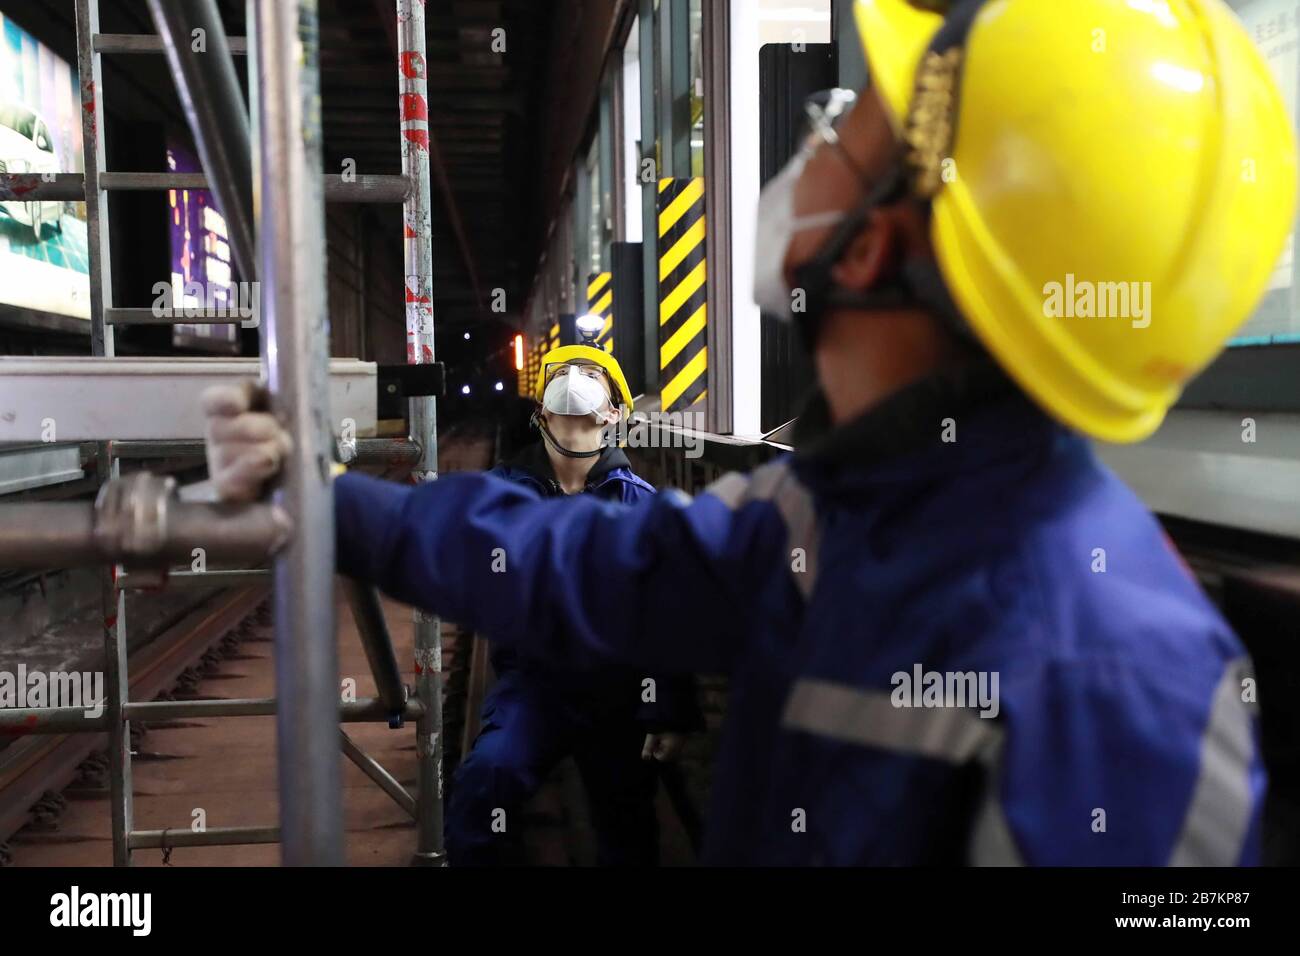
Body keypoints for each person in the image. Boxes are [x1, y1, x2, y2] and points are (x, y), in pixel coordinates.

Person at [203, 0, 1294, 864]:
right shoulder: (836, 505)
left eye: (848, 123)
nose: (817, 132)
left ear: (873, 247)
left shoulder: (1120, 690)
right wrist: (335, 497)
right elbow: (586, 562)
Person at [444, 345, 701, 865]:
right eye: (562, 373)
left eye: (591, 374)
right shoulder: (500, 495)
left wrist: (668, 712)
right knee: (486, 780)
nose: (575, 378)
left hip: (618, 695)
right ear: (541, 412)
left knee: (627, 822)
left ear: (614, 413)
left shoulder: (641, 505)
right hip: (533, 688)